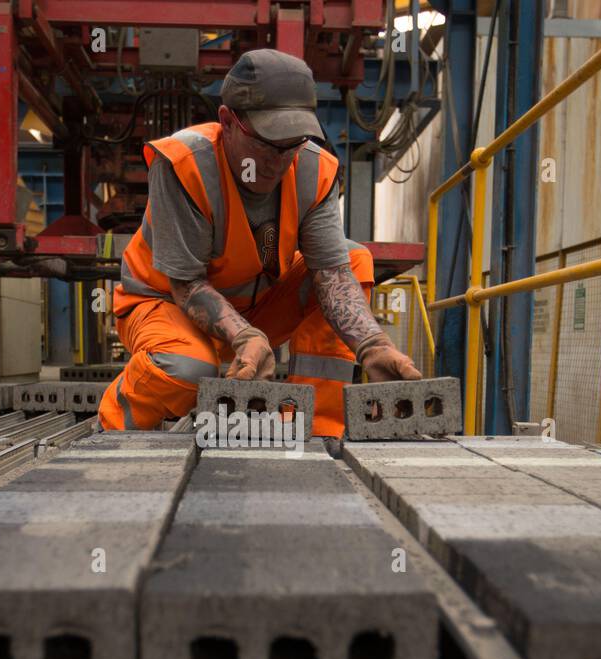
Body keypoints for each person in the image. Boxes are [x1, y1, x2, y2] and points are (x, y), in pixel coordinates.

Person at [98, 48, 422, 439]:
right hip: (164, 302)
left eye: (292, 144)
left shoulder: (313, 169)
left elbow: (332, 275)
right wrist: (246, 337)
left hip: (253, 310)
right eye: (266, 143)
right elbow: (186, 284)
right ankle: (113, 424)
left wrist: (372, 344)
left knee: (353, 260)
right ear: (228, 122)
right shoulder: (184, 164)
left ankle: (318, 430)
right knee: (187, 368)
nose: (278, 161)